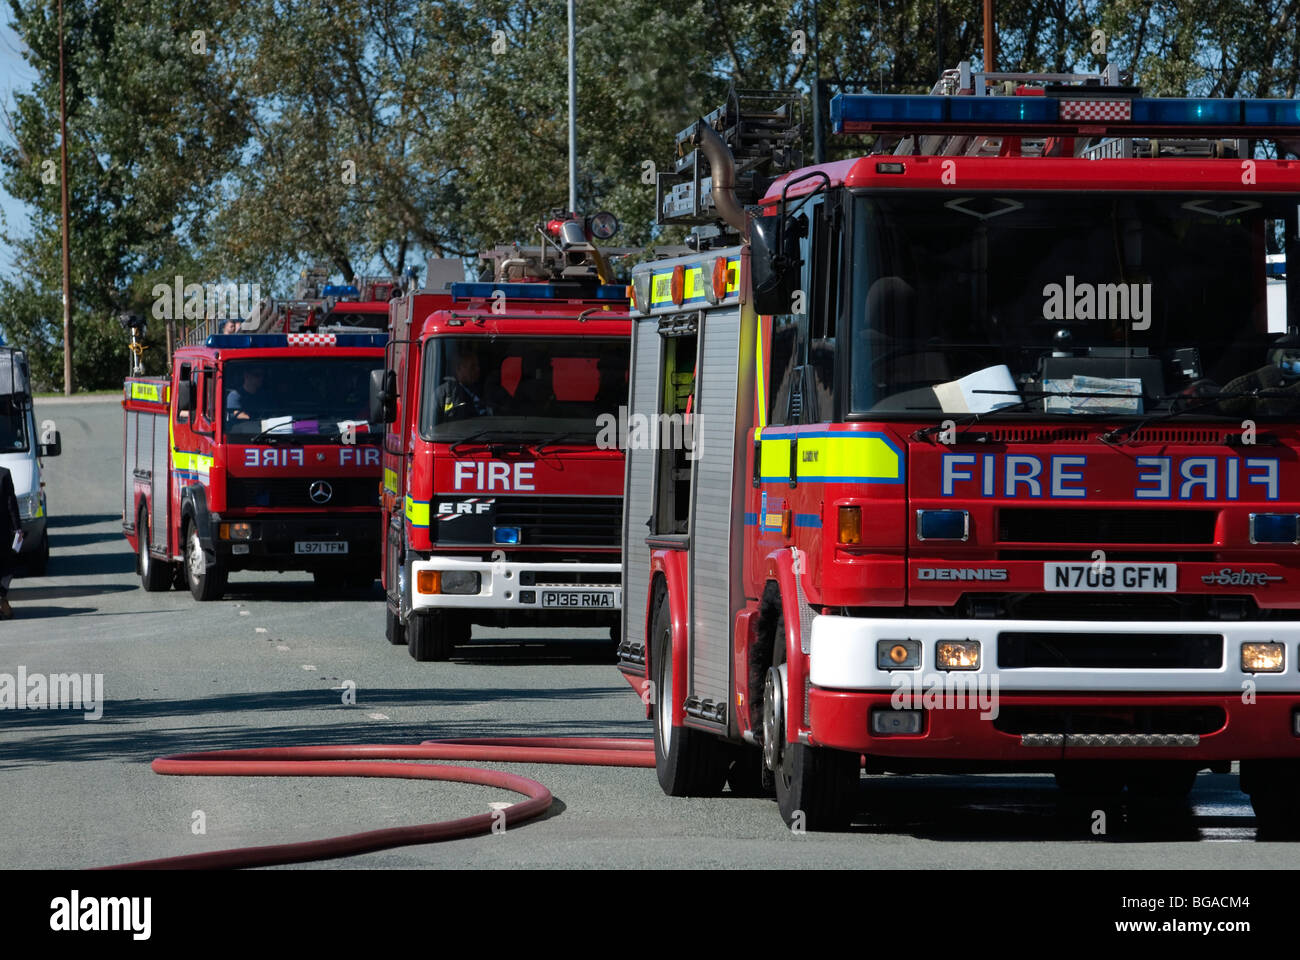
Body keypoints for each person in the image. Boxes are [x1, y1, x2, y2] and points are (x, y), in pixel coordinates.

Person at [435, 348, 491, 420]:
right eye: (472, 366)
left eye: (478, 366)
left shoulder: (480, 388)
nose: (478, 369)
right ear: (459, 368)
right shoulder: (446, 392)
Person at [0, 465, 22, 619]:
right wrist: (17, 528)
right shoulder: (4, 473)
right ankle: (2, 598)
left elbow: (10, 502)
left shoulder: (4, 474)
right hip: (2, 533)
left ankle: (2, 600)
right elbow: (11, 504)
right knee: (6, 568)